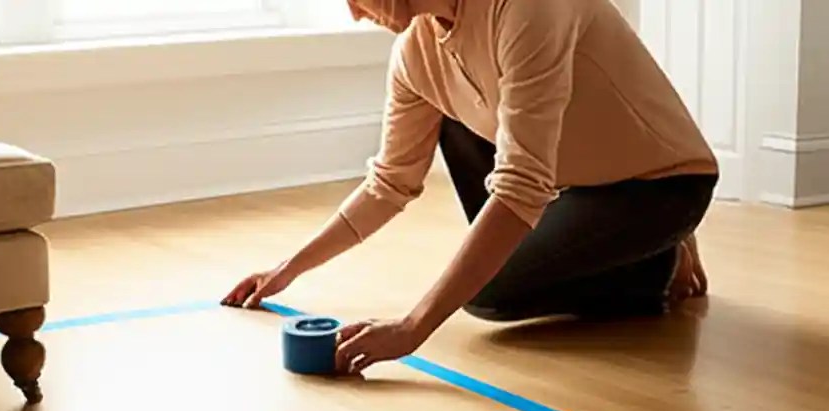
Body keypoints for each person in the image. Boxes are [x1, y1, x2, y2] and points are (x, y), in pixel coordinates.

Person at [221, 0, 719, 375]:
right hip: (573, 185)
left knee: (490, 293)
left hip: (660, 186)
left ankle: (657, 259)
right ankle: (620, 249)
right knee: (454, 123)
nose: (354, 13)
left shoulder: (528, 8)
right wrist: (287, 269)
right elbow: (389, 184)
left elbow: (521, 186)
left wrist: (412, 327)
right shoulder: (416, 53)